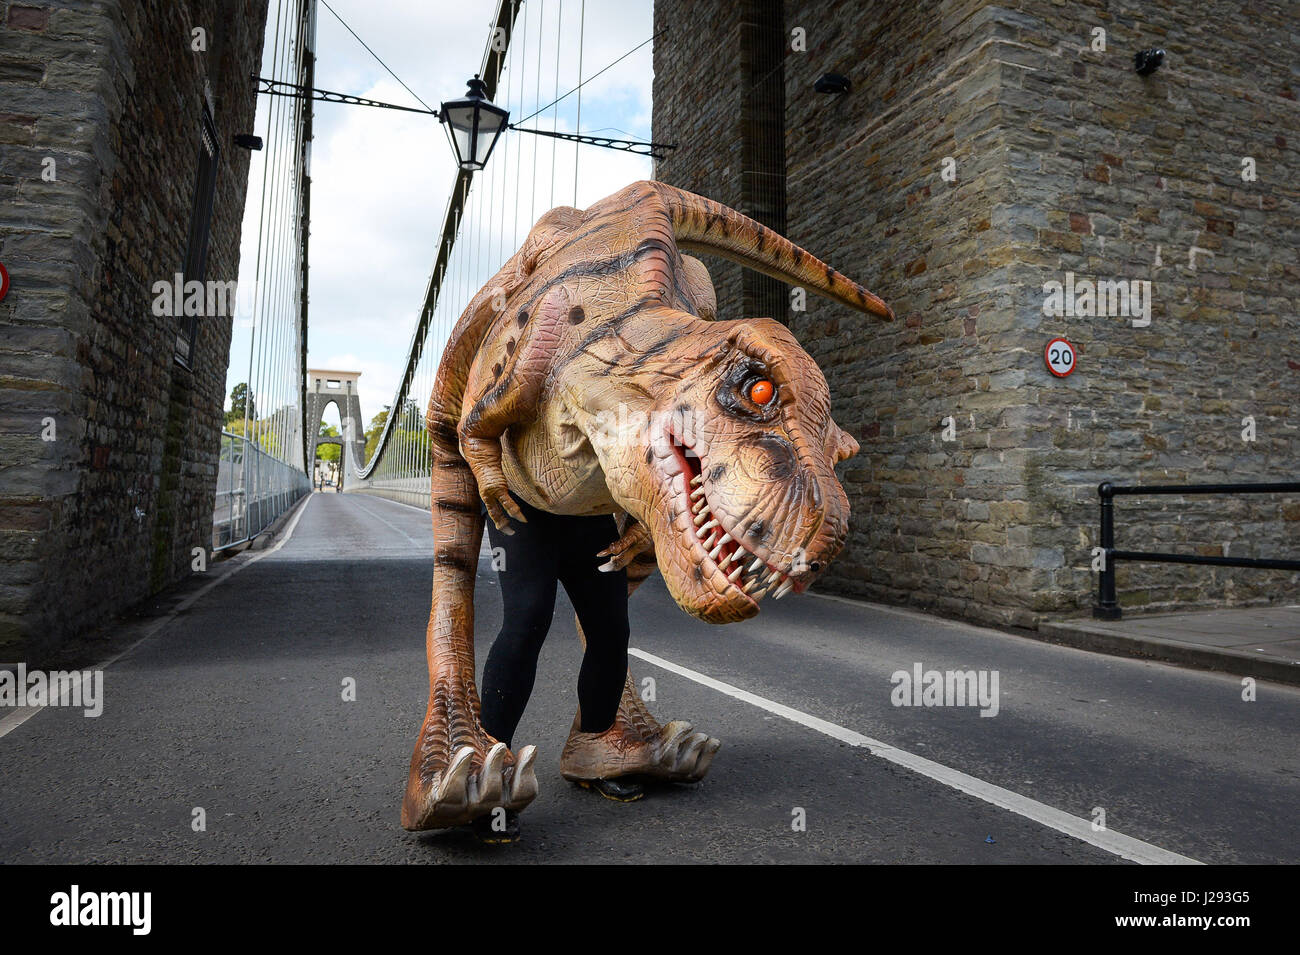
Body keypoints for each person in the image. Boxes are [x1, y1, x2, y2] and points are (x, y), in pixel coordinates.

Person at [472, 491, 638, 843]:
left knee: (611, 629)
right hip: (521, 500)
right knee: (528, 620)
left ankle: (591, 751)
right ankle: (488, 778)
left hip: (588, 508)